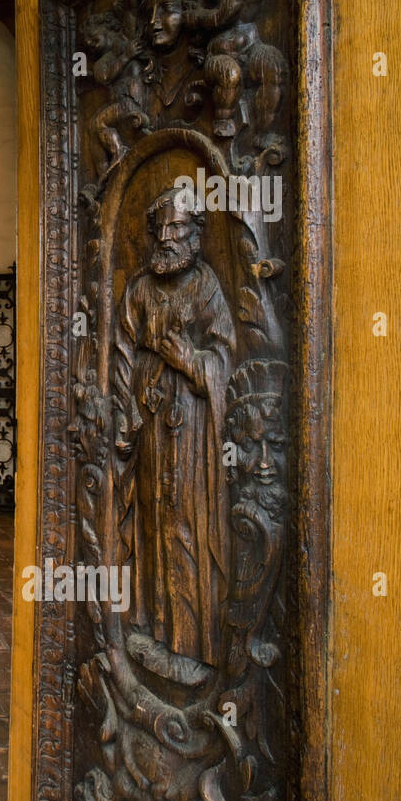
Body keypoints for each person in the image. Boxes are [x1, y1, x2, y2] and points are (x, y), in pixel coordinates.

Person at [112, 186, 234, 668]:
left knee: (184, 523)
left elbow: (224, 359)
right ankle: (153, 626)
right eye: (159, 228)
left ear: (195, 233)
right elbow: (121, 354)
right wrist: (127, 410)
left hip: (193, 434)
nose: (165, 237)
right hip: (150, 429)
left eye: (177, 227)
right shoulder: (140, 290)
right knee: (150, 521)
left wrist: (190, 361)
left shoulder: (206, 287)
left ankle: (192, 641)